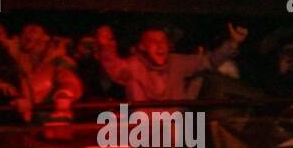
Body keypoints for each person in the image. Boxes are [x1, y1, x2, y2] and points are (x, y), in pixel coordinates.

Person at [96, 21, 247, 104]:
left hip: (175, 137)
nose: (160, 45)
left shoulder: (177, 62)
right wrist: (106, 47)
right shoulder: (134, 65)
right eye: (153, 42)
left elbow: (209, 61)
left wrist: (232, 44)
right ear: (142, 46)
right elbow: (115, 69)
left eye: (163, 41)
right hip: (146, 137)